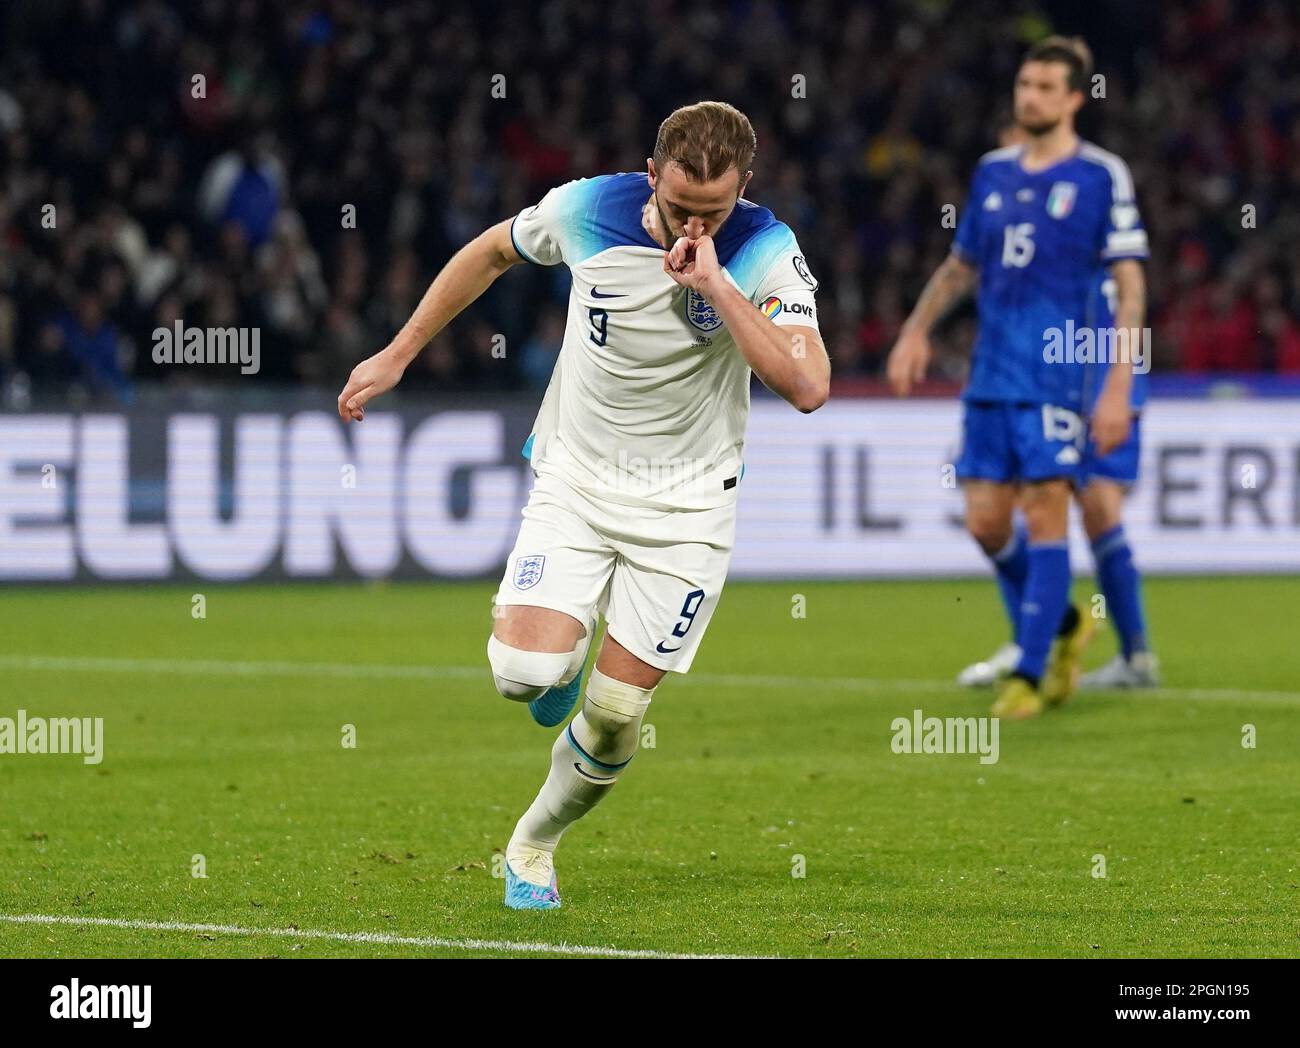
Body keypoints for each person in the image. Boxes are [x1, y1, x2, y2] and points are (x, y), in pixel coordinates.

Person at [337, 101, 829, 908]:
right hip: (576, 481)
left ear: (745, 188)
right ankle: (557, 664)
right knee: (523, 673)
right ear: (649, 176)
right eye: (680, 209)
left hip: (689, 511)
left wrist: (718, 284)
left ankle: (532, 845)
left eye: (715, 211)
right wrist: (399, 353)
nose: (696, 226)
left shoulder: (766, 249)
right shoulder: (586, 209)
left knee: (612, 716)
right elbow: (491, 252)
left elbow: (809, 386)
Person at [887, 37, 1148, 719]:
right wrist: (917, 329)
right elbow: (959, 266)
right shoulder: (992, 174)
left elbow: (1129, 280)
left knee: (1046, 509)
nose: (1027, 95)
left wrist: (1118, 384)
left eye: (1042, 86)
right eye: (1023, 83)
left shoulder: (1101, 176)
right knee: (985, 523)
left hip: (1058, 376)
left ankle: (1029, 674)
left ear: (1071, 99)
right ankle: (1064, 626)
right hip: (989, 378)